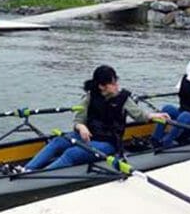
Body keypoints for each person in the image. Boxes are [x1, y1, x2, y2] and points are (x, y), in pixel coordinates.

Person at [22, 65, 169, 171]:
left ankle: (39, 176)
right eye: (113, 83)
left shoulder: (123, 98)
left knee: (71, 153)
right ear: (101, 86)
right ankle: (27, 169)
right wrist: (81, 126)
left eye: (116, 81)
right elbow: (78, 120)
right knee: (57, 141)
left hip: (108, 143)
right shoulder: (90, 96)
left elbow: (140, 116)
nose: (117, 85)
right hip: (88, 136)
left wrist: (154, 115)